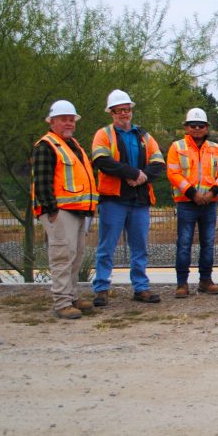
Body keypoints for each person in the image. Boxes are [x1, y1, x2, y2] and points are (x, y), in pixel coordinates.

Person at [91, 89, 166, 305]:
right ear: (111, 113)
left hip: (139, 199)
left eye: (127, 110)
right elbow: (101, 160)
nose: (124, 114)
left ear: (131, 111)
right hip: (114, 199)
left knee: (140, 246)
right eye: (119, 111)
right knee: (107, 246)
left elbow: (158, 161)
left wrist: (142, 177)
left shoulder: (143, 136)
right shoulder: (104, 134)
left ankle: (141, 287)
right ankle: (102, 287)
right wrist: (132, 173)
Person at [32, 100, 99, 319]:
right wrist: (51, 208)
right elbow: (42, 181)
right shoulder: (46, 146)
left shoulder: (73, 145)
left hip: (77, 210)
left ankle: (71, 297)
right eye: (64, 119)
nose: (69, 123)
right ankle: (62, 302)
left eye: (71, 119)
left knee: (75, 255)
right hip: (60, 211)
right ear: (52, 121)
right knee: (62, 255)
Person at [166, 108, 218, 298]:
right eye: (193, 125)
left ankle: (205, 280)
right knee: (184, 243)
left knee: (208, 243)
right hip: (187, 203)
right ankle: (182, 283)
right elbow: (173, 173)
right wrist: (193, 193)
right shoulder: (177, 147)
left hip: (209, 203)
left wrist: (212, 192)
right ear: (186, 127)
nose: (196, 128)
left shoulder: (215, 148)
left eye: (200, 125)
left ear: (206, 127)